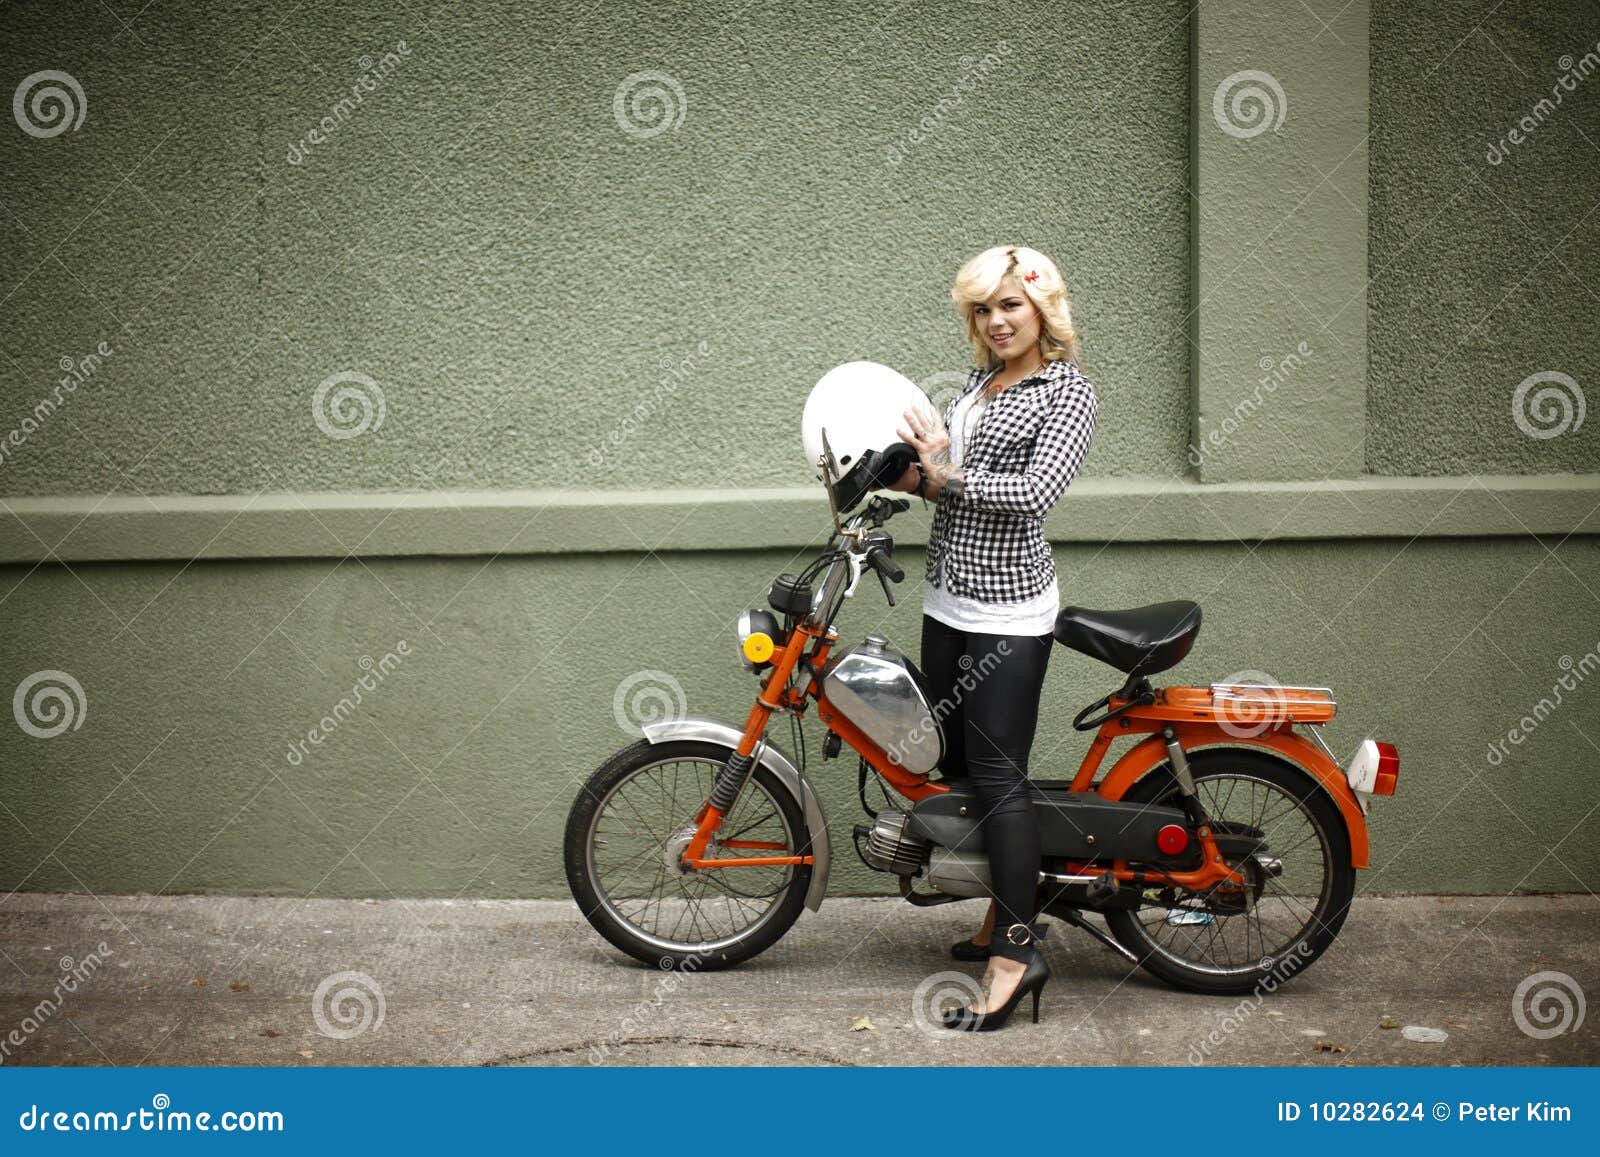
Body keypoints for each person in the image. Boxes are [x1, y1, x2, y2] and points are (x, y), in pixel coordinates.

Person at [887, 244, 1098, 1031]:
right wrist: (917, 472)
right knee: (960, 763)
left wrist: (944, 479)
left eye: (1010, 304)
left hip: (1007, 609)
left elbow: (1035, 494)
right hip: (948, 597)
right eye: (982, 309)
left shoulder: (1067, 392)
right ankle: (998, 913)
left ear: (1044, 307)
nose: (996, 321)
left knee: (1001, 776)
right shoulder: (980, 382)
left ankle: (1018, 951)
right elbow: (957, 480)